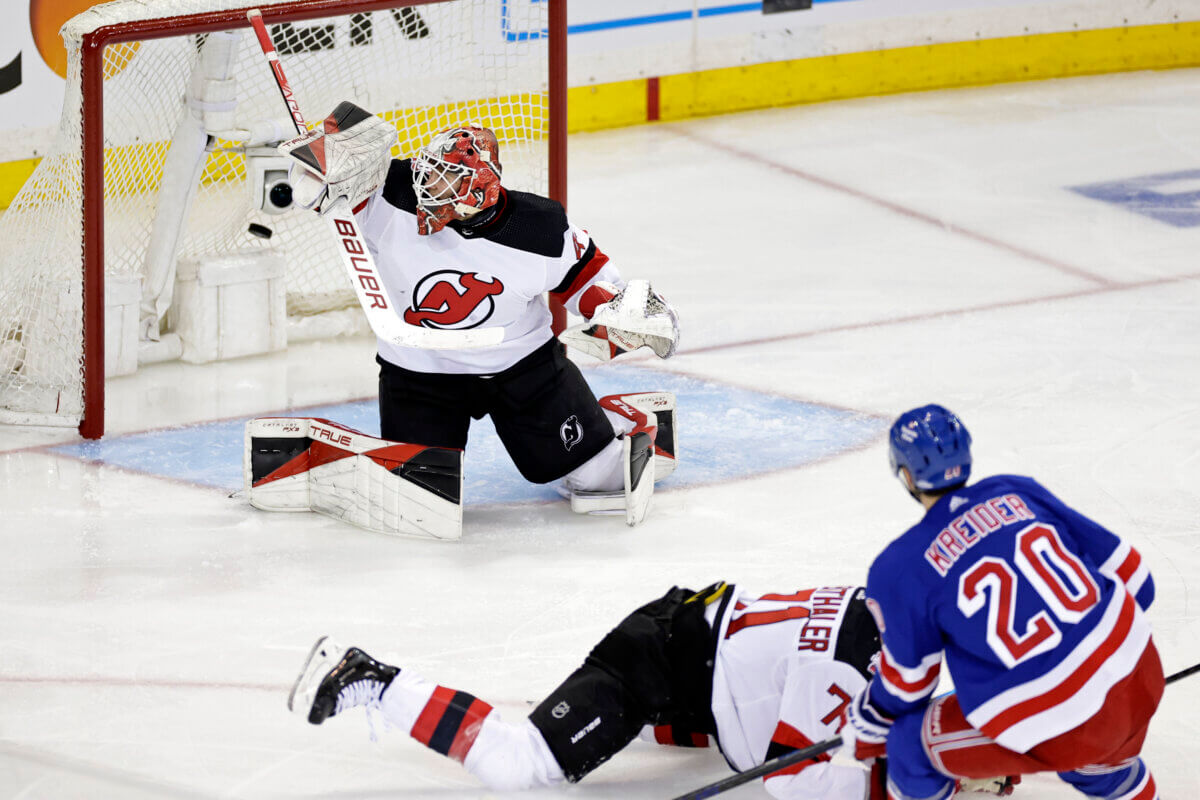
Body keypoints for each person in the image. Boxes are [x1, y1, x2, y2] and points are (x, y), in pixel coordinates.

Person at [276, 104, 680, 526]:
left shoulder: (540, 227)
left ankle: (627, 422)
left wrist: (621, 312)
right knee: (421, 499)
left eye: (446, 178)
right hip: (419, 373)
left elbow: (589, 280)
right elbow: (313, 187)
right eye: (429, 171)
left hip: (522, 370)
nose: (428, 184)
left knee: (599, 479)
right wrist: (319, 164)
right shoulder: (389, 191)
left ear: (478, 191)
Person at [288, 582, 887, 799]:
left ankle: (576, 715)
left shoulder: (873, 607)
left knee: (690, 740)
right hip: (657, 662)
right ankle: (372, 679)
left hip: (695, 650)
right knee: (517, 764)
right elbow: (792, 778)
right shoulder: (840, 670)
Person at [841, 404, 1163, 800]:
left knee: (909, 748)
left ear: (905, 475)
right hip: (1142, 681)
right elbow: (1139, 583)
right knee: (1100, 765)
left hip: (1059, 726)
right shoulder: (1016, 490)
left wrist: (871, 714)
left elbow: (910, 685)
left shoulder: (900, 566)